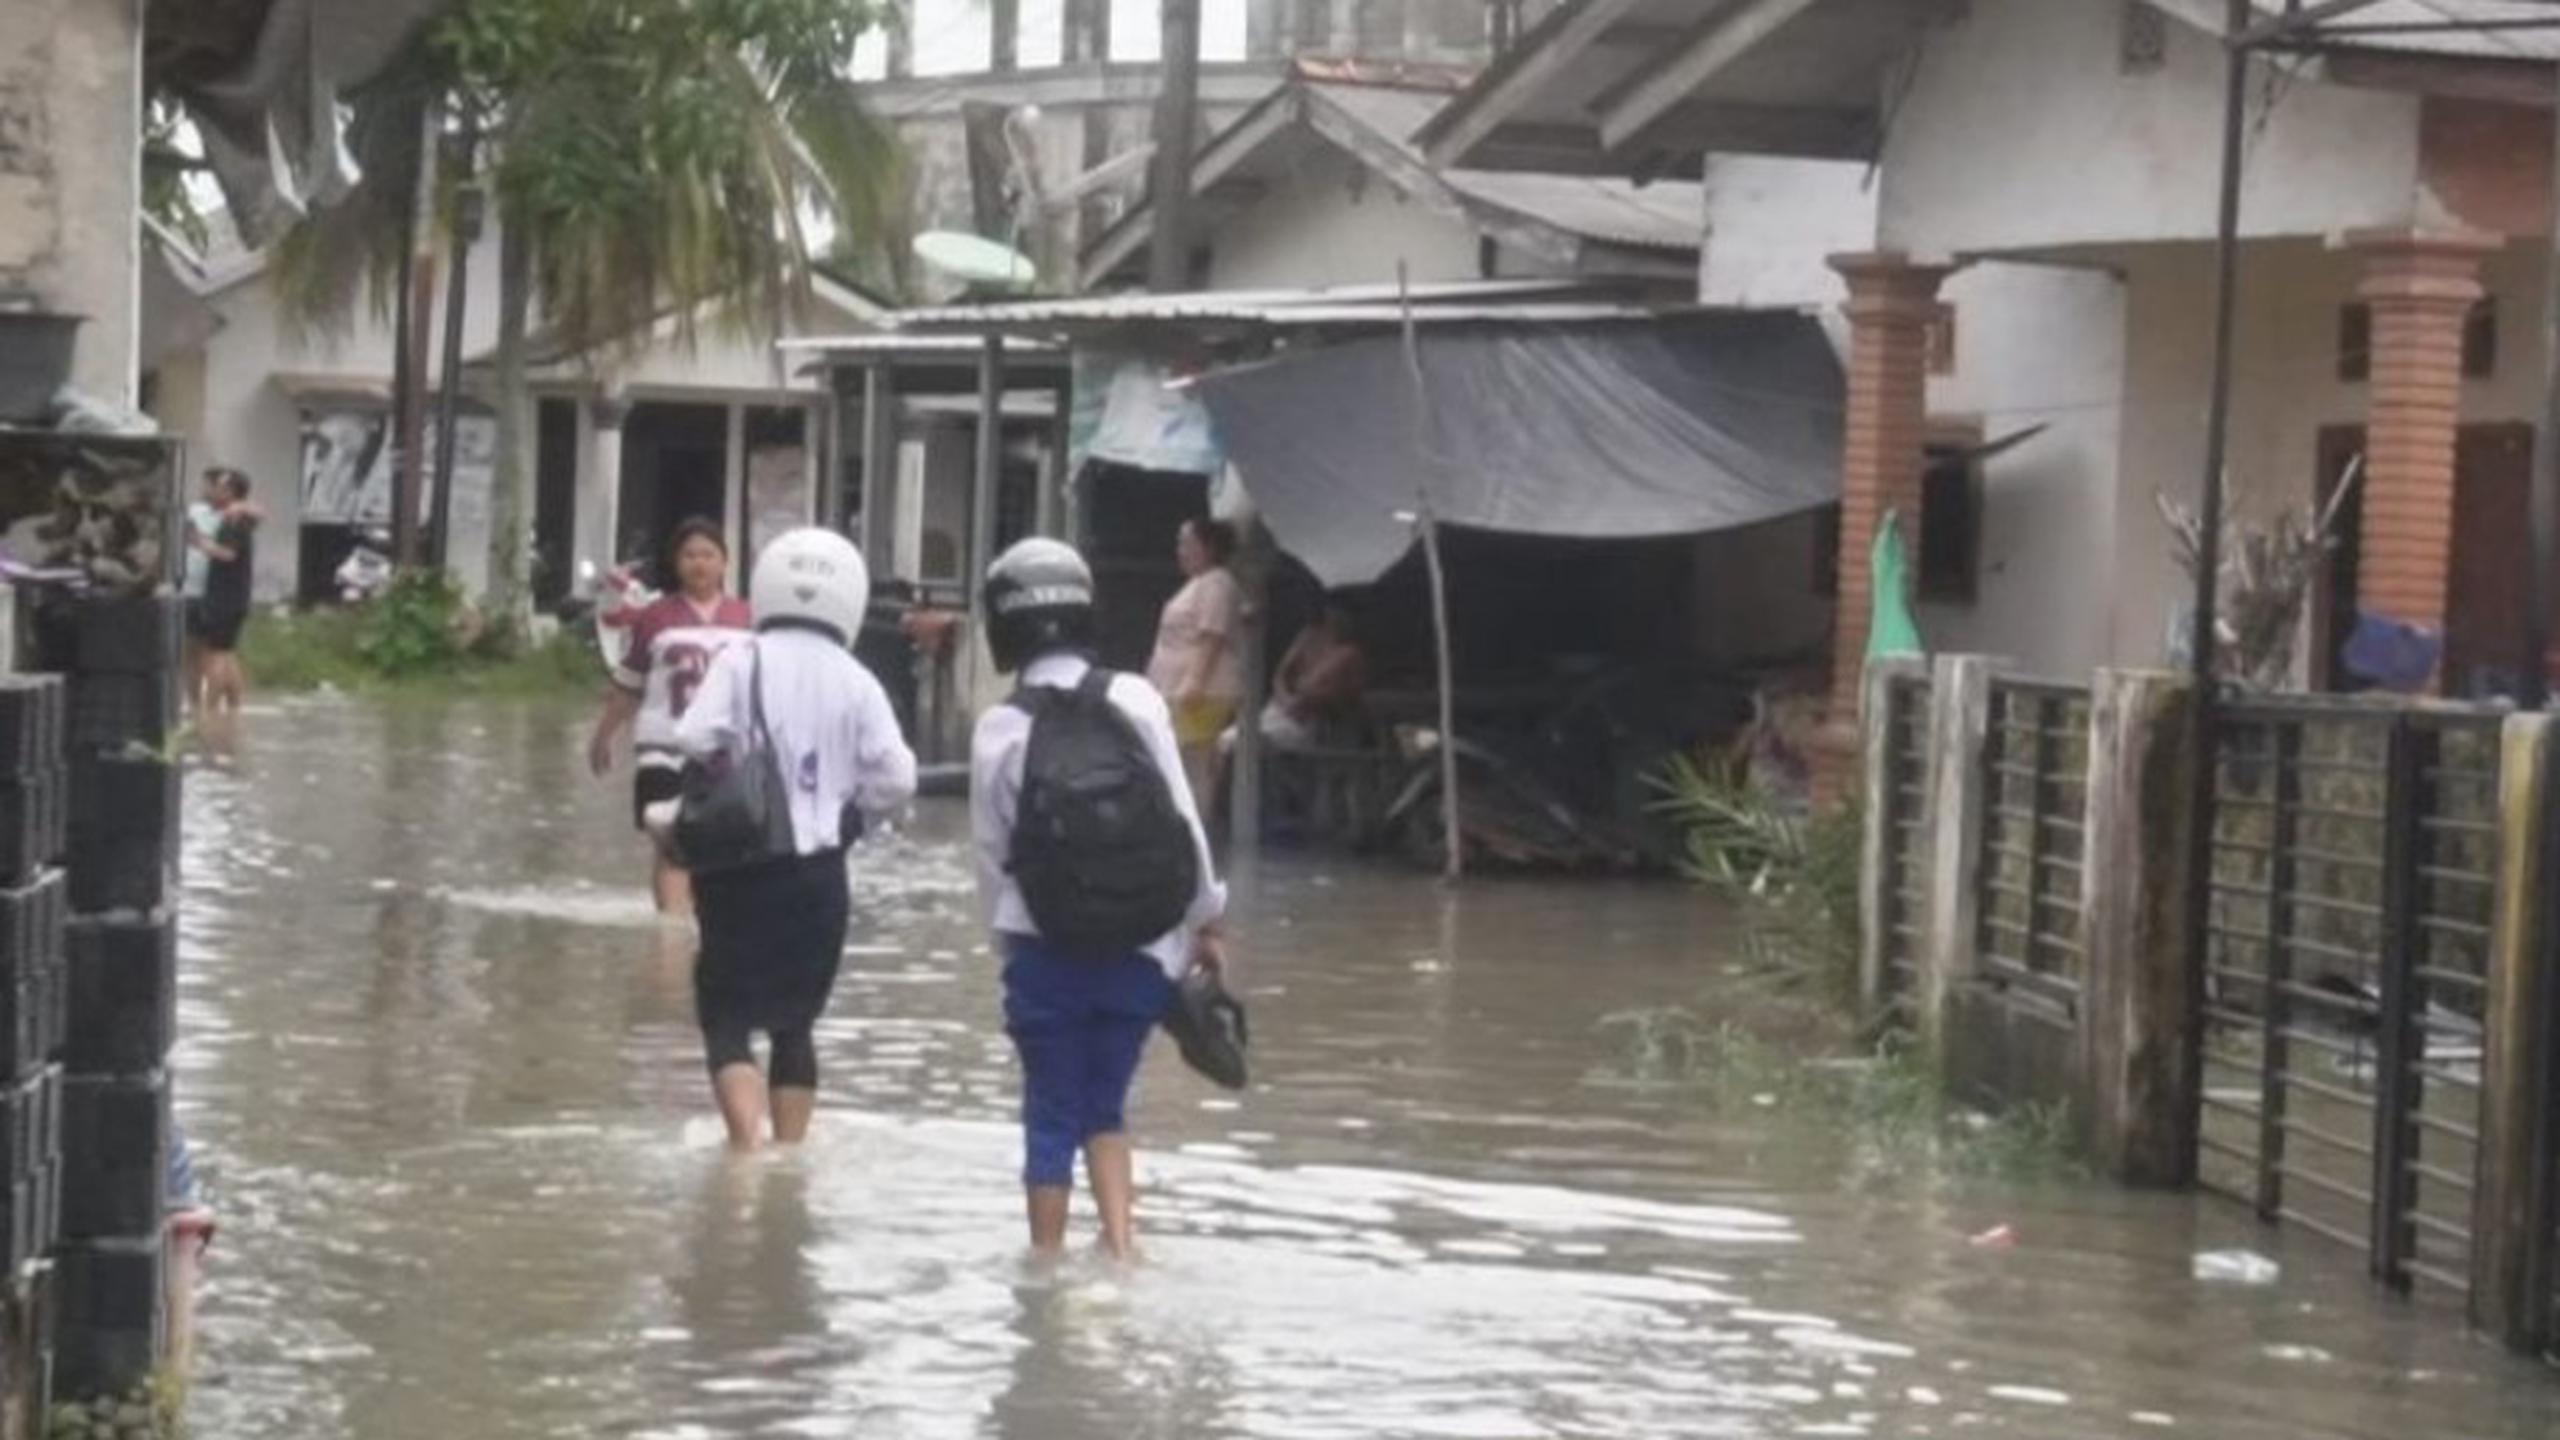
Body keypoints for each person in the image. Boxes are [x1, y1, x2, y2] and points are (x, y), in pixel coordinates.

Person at [972, 537, 1228, 1260]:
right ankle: (1120, 1250)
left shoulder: (1000, 727)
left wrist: (1010, 946)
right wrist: (1207, 920)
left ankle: (1046, 1267)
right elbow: (1184, 824)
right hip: (1141, 948)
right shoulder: (1137, 698)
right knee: (1106, 1106)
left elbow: (992, 860)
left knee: (1050, 1113)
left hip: (1040, 949)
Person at [671, 527, 916, 1151]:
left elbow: (694, 738)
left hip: (737, 865)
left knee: (726, 1017)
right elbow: (897, 778)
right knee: (794, 1024)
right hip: (820, 873)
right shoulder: (859, 679)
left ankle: (745, 1157)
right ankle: (787, 1158)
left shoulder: (740, 658)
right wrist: (850, 811)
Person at [589, 519, 753, 917]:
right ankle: (672, 932)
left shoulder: (747, 617)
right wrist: (604, 736)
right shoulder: (655, 617)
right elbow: (629, 685)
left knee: (717, 843)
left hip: (724, 751)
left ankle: (698, 920)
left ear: (724, 563)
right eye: (689, 555)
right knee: (672, 838)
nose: (699, 564)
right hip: (663, 745)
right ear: (676, 563)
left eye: (708, 555)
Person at [1146, 517, 1245, 812]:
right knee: (1181, 759)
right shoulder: (1198, 584)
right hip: (1178, 689)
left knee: (1194, 761)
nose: (1181, 550)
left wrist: (1194, 681)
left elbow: (1211, 636)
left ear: (1210, 547)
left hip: (1199, 692)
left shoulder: (1217, 582)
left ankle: (1195, 826)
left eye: (1188, 543)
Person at [185, 467, 261, 716]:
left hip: (225, 596)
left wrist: (199, 542)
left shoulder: (235, 520)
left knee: (217, 654)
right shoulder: (235, 516)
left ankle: (209, 711)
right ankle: (233, 710)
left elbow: (228, 554)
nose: (216, 489)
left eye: (221, 486)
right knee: (226, 653)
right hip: (231, 595)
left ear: (231, 492)